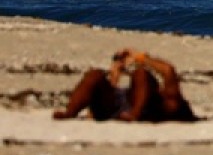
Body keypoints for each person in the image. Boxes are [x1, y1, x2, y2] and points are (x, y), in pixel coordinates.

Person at [52, 48, 198, 122]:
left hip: (138, 109)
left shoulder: (170, 102)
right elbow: (93, 111)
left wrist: (141, 58)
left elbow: (168, 70)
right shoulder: (168, 99)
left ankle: (135, 115)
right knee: (95, 74)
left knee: (140, 73)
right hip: (125, 104)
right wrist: (115, 75)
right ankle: (70, 112)